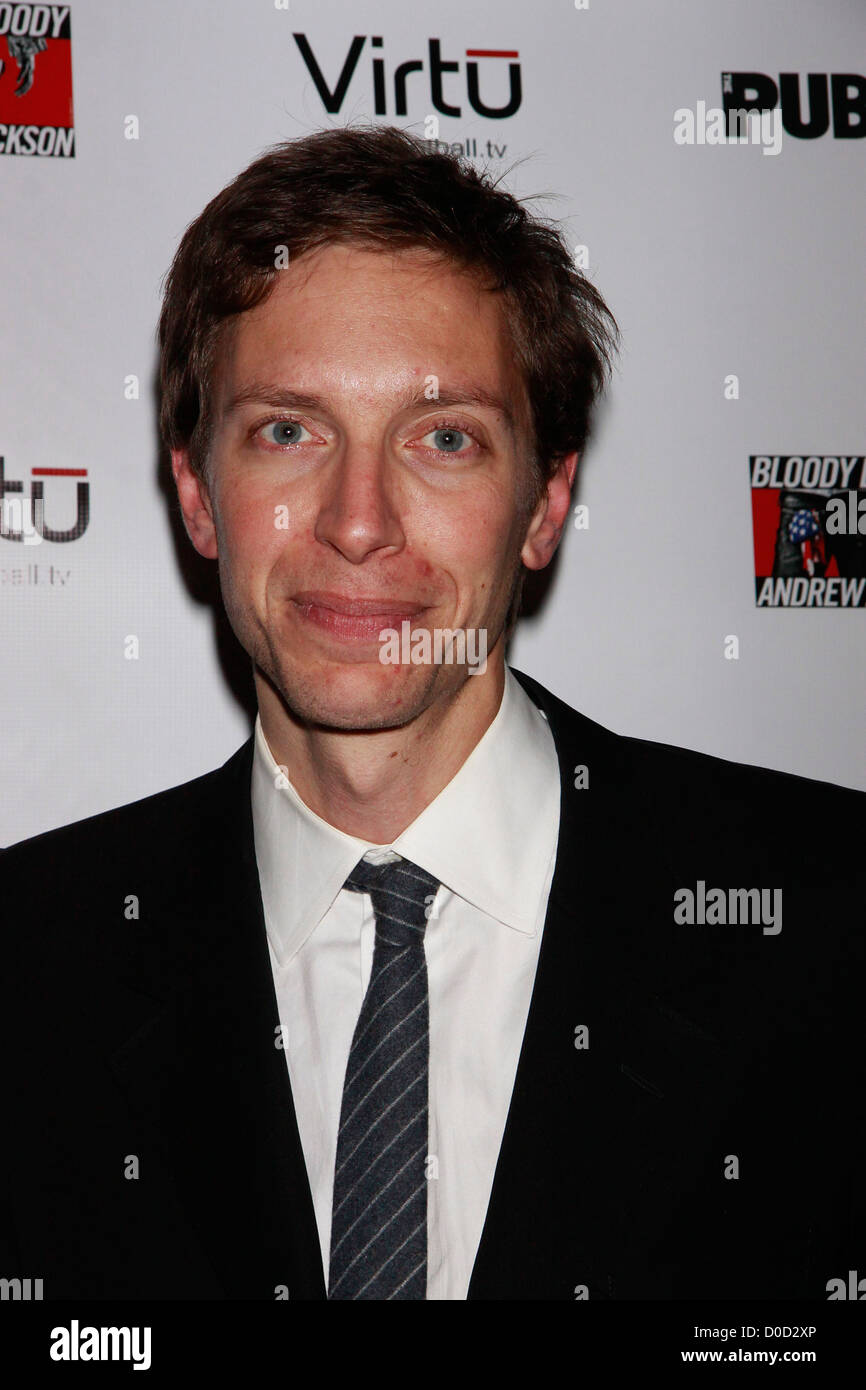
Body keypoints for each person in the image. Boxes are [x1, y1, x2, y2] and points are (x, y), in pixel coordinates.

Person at [1, 125, 863, 1302]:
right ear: (198, 495)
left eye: (442, 437)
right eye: (288, 430)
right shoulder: (32, 963)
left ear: (545, 503)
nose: (358, 521)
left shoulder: (823, 926)